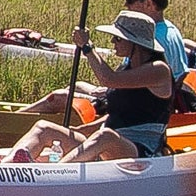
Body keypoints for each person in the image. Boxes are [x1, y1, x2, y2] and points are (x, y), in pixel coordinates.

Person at [10, 10, 174, 163]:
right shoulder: (127, 68)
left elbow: (108, 79)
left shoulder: (159, 70)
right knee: (44, 128)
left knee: (105, 135)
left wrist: (87, 47)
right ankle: (2, 167)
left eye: (117, 38)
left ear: (134, 43)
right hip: (107, 143)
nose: (112, 42)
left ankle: (55, 172)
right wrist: (83, 129)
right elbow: (119, 114)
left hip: (142, 152)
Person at [116, 0, 193, 93]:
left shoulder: (147, 38)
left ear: (148, 4)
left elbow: (125, 80)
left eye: (130, 0)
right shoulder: (170, 28)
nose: (126, 5)